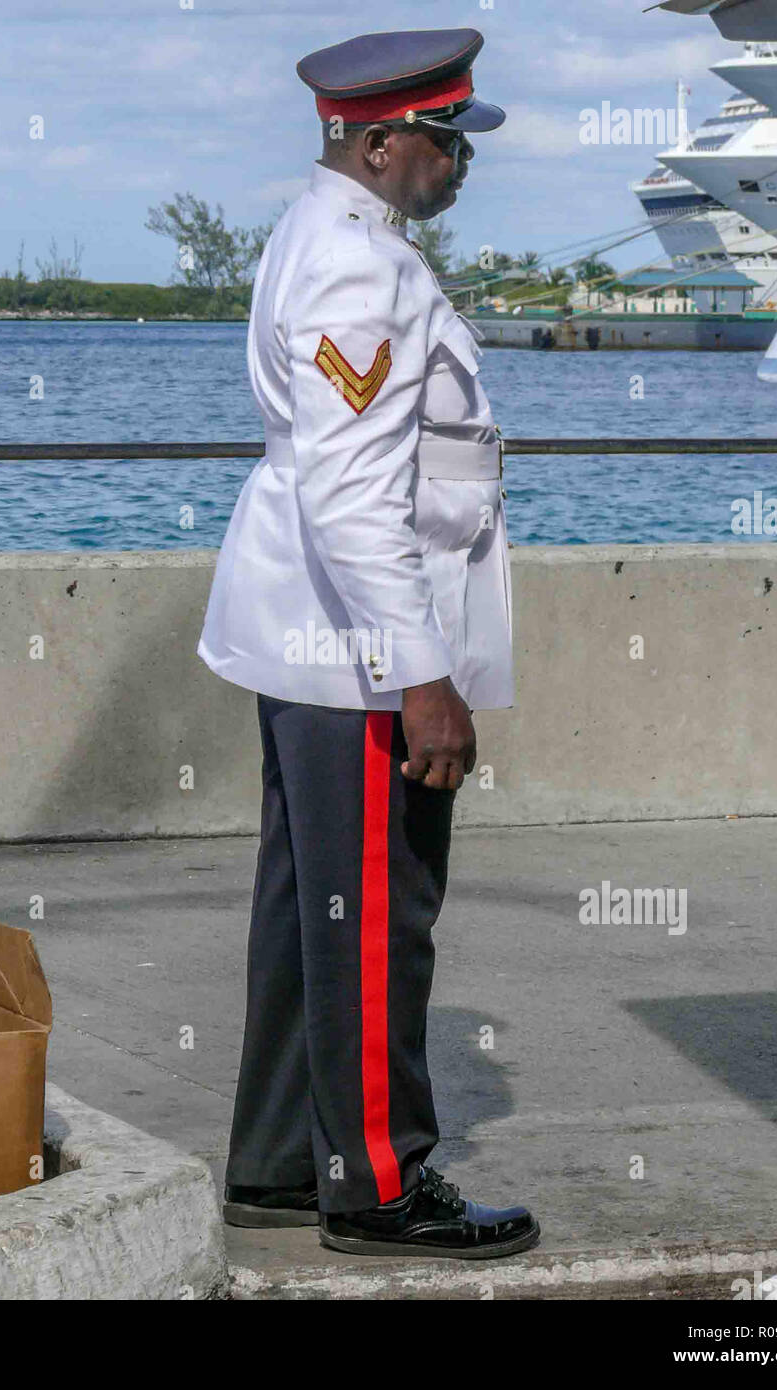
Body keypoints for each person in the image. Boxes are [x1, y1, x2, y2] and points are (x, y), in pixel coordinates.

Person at [197, 26, 539, 1259]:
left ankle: (286, 1165)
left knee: (313, 915)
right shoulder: (360, 270)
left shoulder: (322, 236)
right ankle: (378, 1188)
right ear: (383, 140)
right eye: (446, 141)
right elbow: (353, 493)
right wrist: (423, 677)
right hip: (354, 660)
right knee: (379, 921)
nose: (459, 163)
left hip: (310, 641)